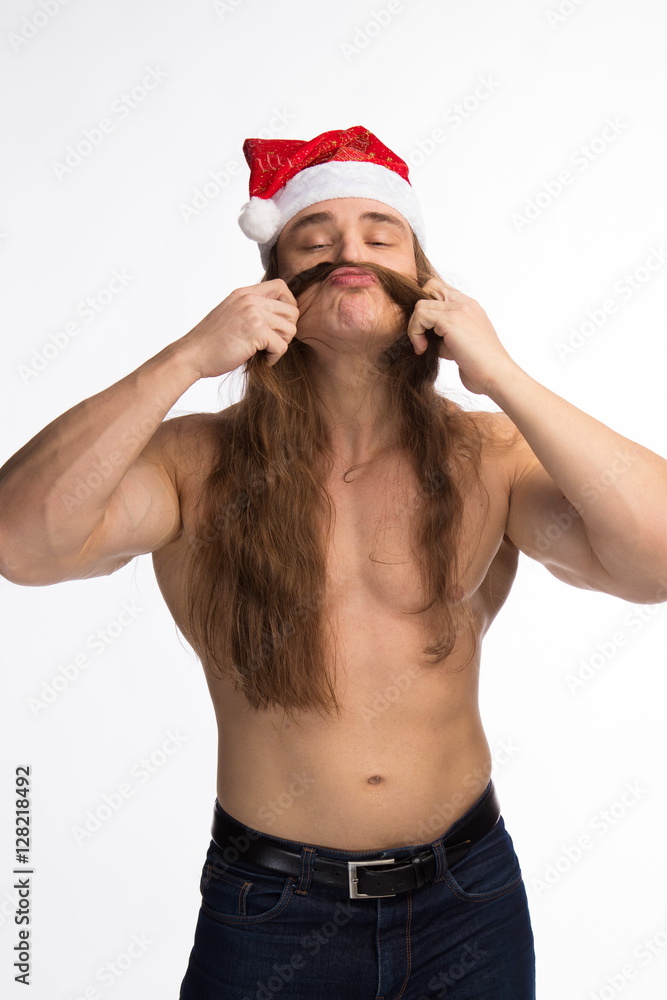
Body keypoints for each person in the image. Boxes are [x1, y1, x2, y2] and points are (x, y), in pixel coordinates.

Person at [1, 125, 666, 999]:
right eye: (313, 240)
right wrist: (188, 357)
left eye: (380, 234)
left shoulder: (489, 458)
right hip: (270, 906)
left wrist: (502, 373)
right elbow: (23, 541)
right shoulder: (194, 464)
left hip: (466, 893)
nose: (348, 251)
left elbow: (653, 559)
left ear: (425, 286)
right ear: (272, 291)